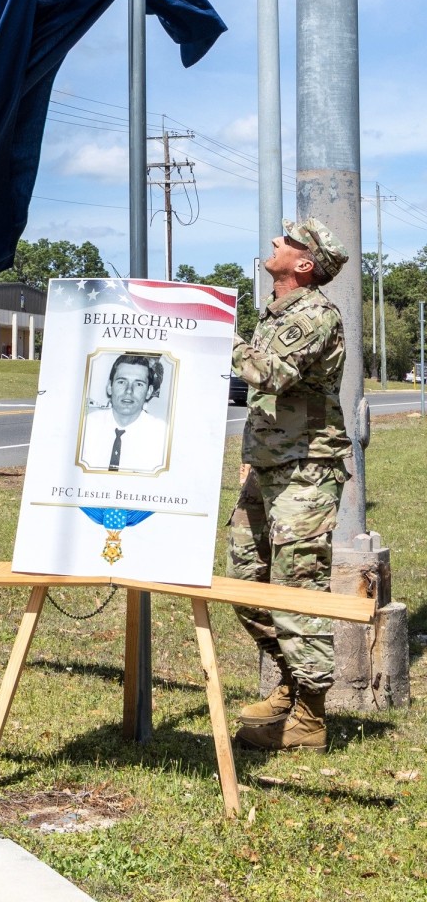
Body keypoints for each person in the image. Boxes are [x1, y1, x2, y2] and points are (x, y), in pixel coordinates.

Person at [226, 217, 351, 752]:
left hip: (307, 471)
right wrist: (251, 459)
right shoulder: (277, 313)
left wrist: (210, 330)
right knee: (245, 581)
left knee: (297, 590)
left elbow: (271, 375)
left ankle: (310, 717)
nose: (277, 241)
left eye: (290, 241)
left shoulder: (316, 314)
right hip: (270, 465)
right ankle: (291, 681)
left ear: (304, 265)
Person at [79, 353, 169, 474]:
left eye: (138, 384)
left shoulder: (163, 435)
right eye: (121, 382)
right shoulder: (85, 426)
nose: (129, 391)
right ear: (110, 387)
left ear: (149, 392)